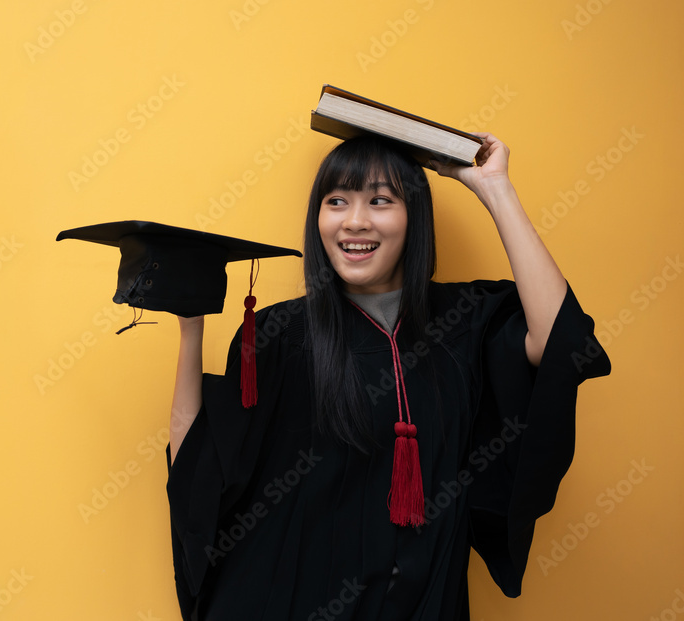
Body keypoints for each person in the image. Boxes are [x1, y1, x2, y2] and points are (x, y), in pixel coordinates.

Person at [166, 133, 611, 620]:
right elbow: (202, 467)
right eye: (337, 201)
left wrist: (496, 188)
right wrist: (192, 331)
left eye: (380, 200)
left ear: (413, 218)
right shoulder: (282, 333)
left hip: (424, 604)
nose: (355, 221)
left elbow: (561, 345)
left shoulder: (465, 320)